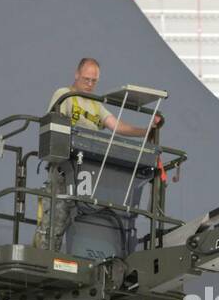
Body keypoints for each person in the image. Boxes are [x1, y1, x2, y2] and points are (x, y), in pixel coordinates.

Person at [34, 57, 161, 250]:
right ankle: (44, 255)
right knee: (55, 219)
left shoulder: (95, 105)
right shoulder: (65, 95)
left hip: (88, 171)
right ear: (77, 74)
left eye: (94, 81)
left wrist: (146, 131)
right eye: (86, 79)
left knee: (86, 217)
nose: (90, 84)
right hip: (65, 168)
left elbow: (117, 126)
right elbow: (55, 123)